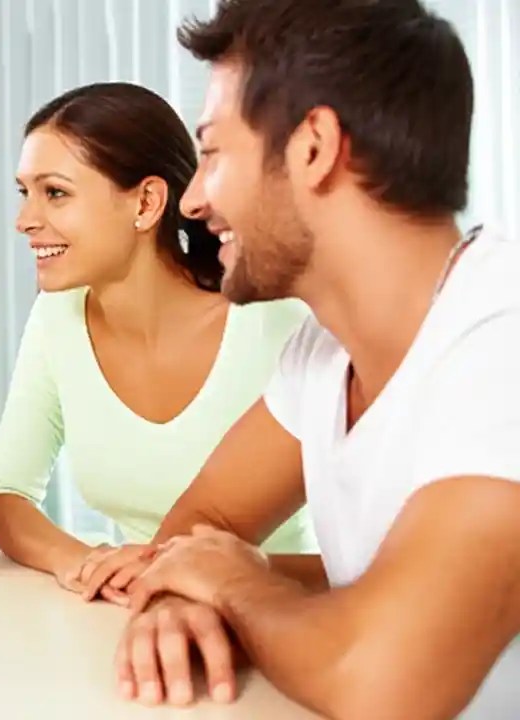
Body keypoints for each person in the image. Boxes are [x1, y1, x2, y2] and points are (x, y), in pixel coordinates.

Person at [95, 1, 520, 717]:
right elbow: (208, 517)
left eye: (214, 152)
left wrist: (234, 585)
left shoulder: (501, 342)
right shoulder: (321, 351)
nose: (193, 201)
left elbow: (381, 683)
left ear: (314, 147)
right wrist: (174, 596)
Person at [0, 82, 314, 602]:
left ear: (147, 202)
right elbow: (7, 498)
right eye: (25, 193)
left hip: (276, 611)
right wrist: (86, 563)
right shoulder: (57, 318)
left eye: (56, 193)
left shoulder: (277, 323)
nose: (25, 221)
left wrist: (205, 574)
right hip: (137, 610)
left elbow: (360, 553)